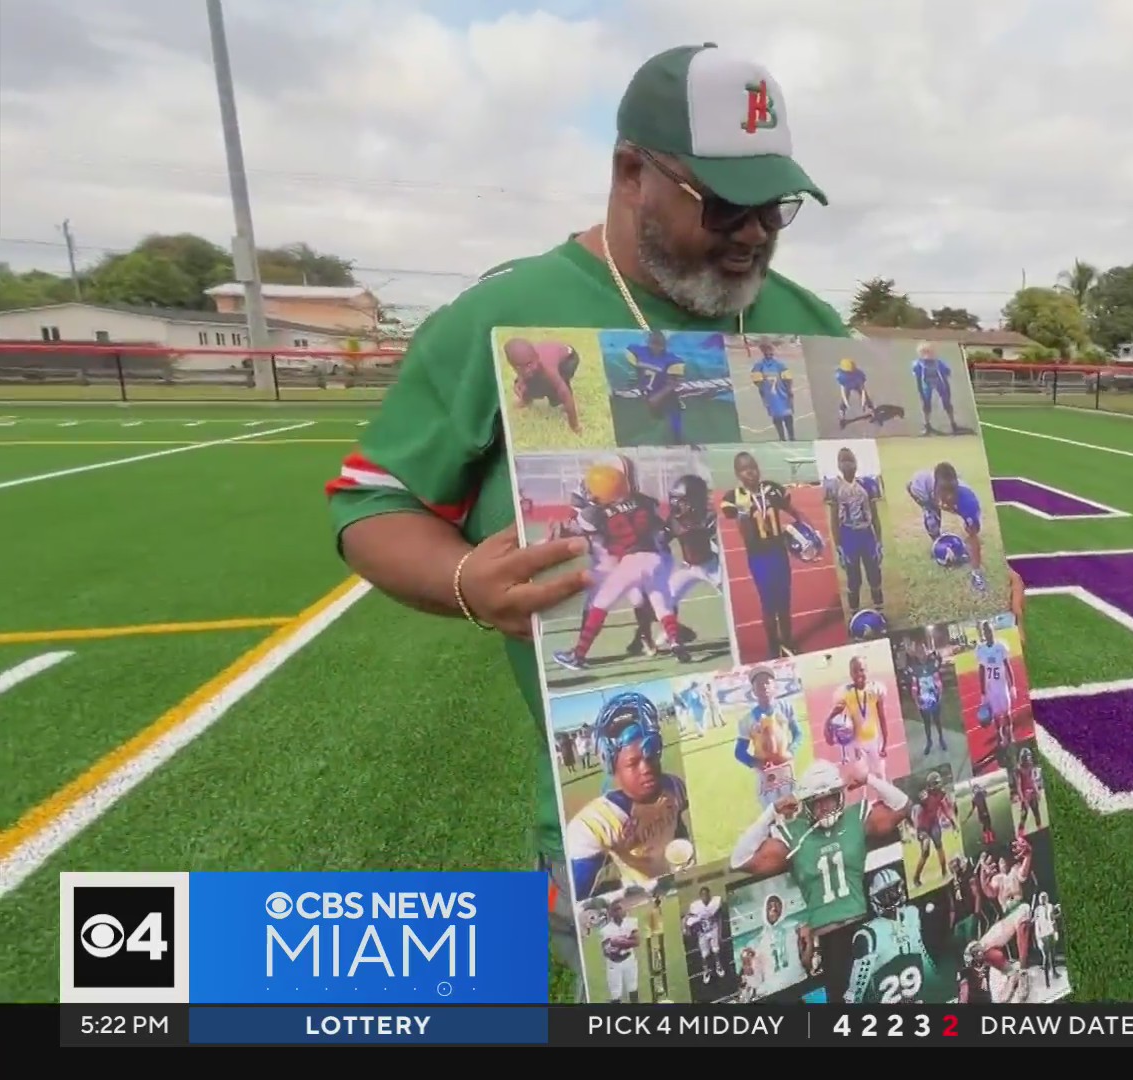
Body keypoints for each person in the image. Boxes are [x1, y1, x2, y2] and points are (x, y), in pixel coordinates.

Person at [323, 42, 850, 997]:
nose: (755, 236)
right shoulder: (509, 314)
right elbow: (372, 500)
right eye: (724, 204)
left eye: (776, 207)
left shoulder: (810, 321)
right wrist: (458, 582)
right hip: (616, 812)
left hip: (809, 792)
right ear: (629, 172)